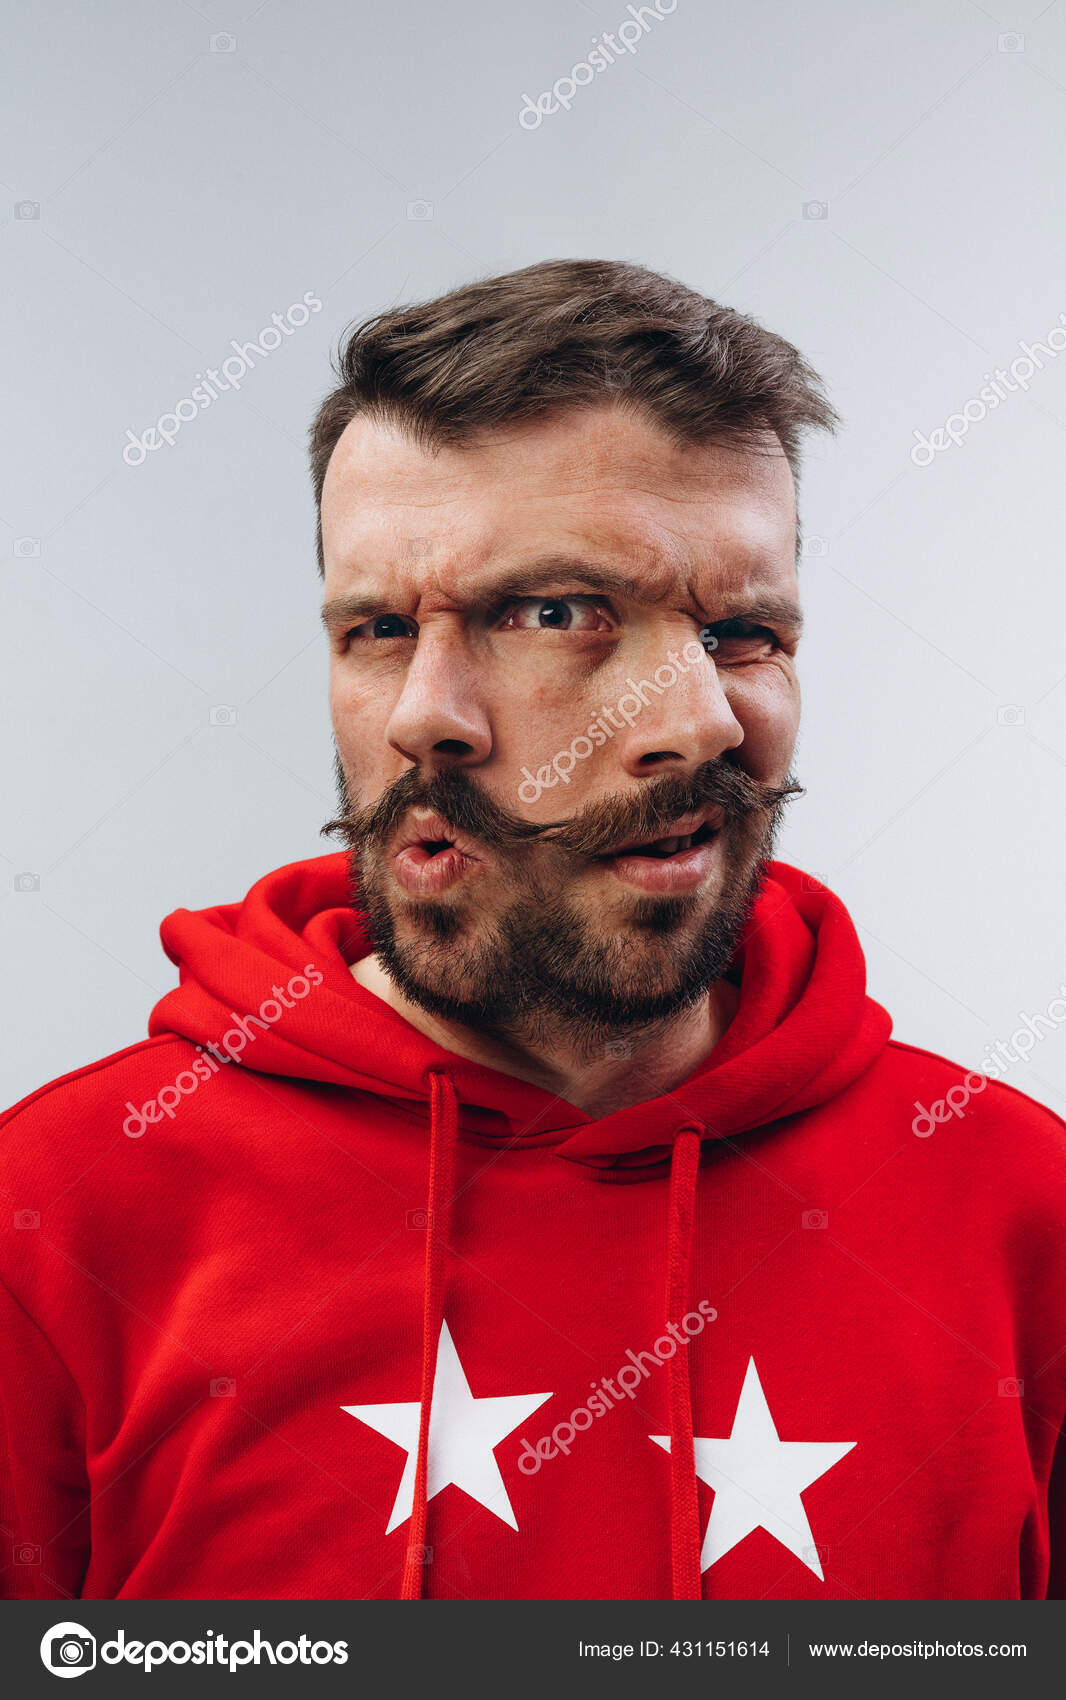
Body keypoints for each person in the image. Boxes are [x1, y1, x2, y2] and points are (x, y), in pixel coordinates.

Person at [2, 259, 1064, 1602]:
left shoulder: (1021, 1210)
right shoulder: (55, 1216)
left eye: (743, 632)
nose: (704, 722)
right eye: (385, 628)